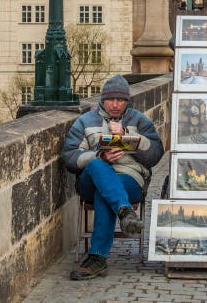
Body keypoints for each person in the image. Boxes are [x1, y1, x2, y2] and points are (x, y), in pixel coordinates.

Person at [62, 76, 164, 280]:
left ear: (127, 101)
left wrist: (127, 135)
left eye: (121, 100)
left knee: (105, 192)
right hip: (91, 179)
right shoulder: (85, 121)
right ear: (102, 99)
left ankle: (97, 258)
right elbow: (69, 155)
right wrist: (100, 156)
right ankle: (124, 211)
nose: (115, 105)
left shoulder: (139, 120)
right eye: (111, 100)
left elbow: (155, 153)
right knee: (98, 166)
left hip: (130, 179)